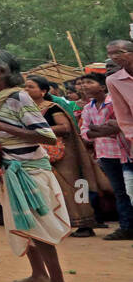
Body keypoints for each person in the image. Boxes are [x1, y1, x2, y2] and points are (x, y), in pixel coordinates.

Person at [0, 50, 72, 282]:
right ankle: (39, 275)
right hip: (12, 168)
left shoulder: (18, 97)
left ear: (3, 70)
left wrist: (1, 126)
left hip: (28, 169)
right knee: (24, 221)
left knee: (38, 222)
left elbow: (46, 135)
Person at [25, 75, 102, 238]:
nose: (26, 90)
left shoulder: (52, 107)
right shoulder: (27, 109)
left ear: (43, 91)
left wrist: (37, 132)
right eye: (25, 87)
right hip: (41, 155)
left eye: (30, 87)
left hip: (64, 156)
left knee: (74, 187)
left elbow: (65, 128)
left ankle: (85, 225)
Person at [77, 70, 132, 240]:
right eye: (83, 83)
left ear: (102, 87)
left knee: (128, 190)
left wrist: (97, 130)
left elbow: (120, 126)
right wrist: (105, 130)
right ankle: (126, 226)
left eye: (89, 82)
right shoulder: (88, 107)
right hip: (105, 154)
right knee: (119, 191)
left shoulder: (115, 103)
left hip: (124, 151)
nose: (84, 86)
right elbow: (85, 132)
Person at [104, 39, 133, 216]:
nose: (114, 57)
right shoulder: (114, 80)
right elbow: (124, 116)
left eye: (118, 52)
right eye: (110, 54)